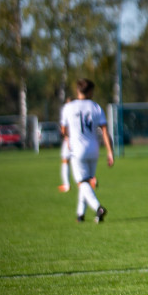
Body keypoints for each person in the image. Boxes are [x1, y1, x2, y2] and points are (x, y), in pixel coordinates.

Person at [59, 78, 114, 223]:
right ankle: (80, 214)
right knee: (86, 183)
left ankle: (98, 208)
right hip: (94, 148)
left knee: (82, 182)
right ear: (90, 91)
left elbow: (63, 129)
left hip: (78, 149)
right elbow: (104, 131)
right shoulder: (95, 107)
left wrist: (67, 137)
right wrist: (110, 152)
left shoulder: (69, 107)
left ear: (78, 90)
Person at [58, 97, 74, 193]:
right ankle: (92, 179)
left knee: (65, 160)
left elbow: (64, 129)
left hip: (70, 139)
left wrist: (67, 139)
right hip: (80, 140)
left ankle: (66, 185)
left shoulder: (67, 111)